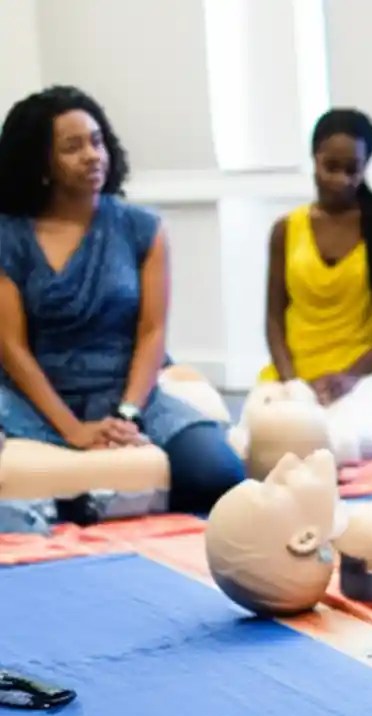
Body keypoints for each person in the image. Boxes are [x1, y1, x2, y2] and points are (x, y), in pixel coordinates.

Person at [0, 85, 242, 513]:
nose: (92, 155)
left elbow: (152, 332)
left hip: (127, 389)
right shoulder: (9, 235)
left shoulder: (141, 227)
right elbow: (11, 348)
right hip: (35, 394)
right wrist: (72, 430)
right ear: (40, 163)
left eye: (96, 142)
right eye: (72, 147)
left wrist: (128, 414)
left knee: (218, 473)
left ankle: (100, 502)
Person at [260, 108, 372, 463]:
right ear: (313, 159)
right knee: (252, 441)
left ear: (366, 166)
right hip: (293, 376)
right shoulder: (286, 229)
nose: (341, 180)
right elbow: (273, 319)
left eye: (352, 169)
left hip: (364, 379)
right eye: (330, 167)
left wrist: (350, 376)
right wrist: (292, 384)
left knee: (345, 443)